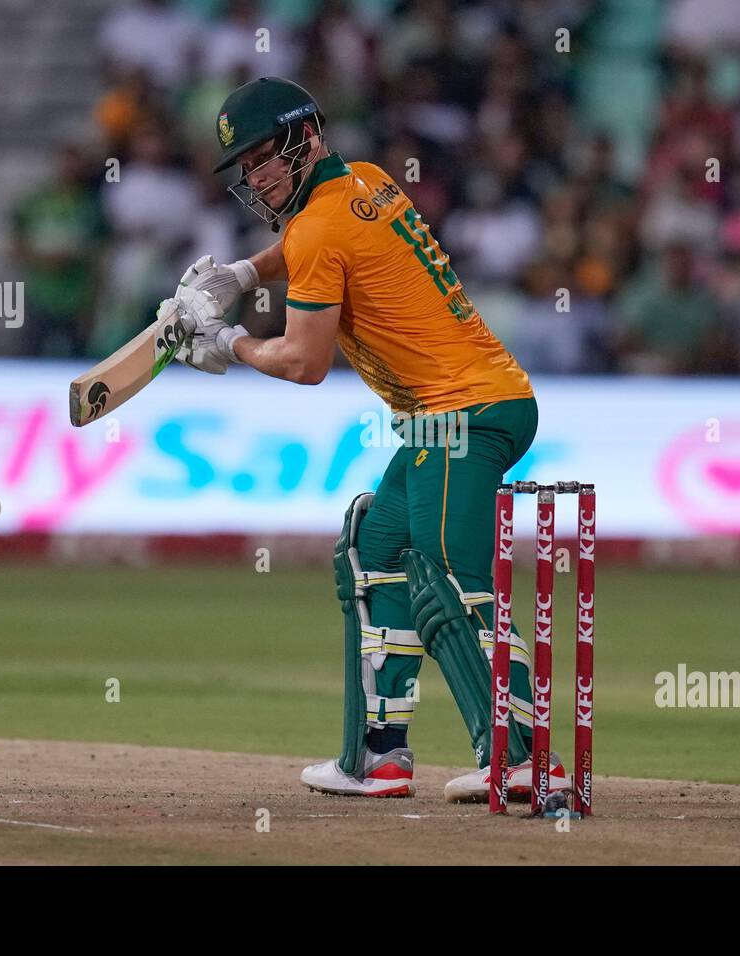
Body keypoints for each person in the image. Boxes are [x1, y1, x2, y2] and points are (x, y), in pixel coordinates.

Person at [166, 76, 566, 803]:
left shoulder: (319, 228)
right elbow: (309, 242)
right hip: (462, 407)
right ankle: (379, 756)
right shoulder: (366, 181)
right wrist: (241, 274)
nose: (254, 178)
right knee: (372, 547)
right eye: (244, 167)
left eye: (262, 158)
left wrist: (227, 341)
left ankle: (522, 757)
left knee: (449, 568)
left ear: (303, 138)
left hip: (462, 412)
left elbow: (304, 362)